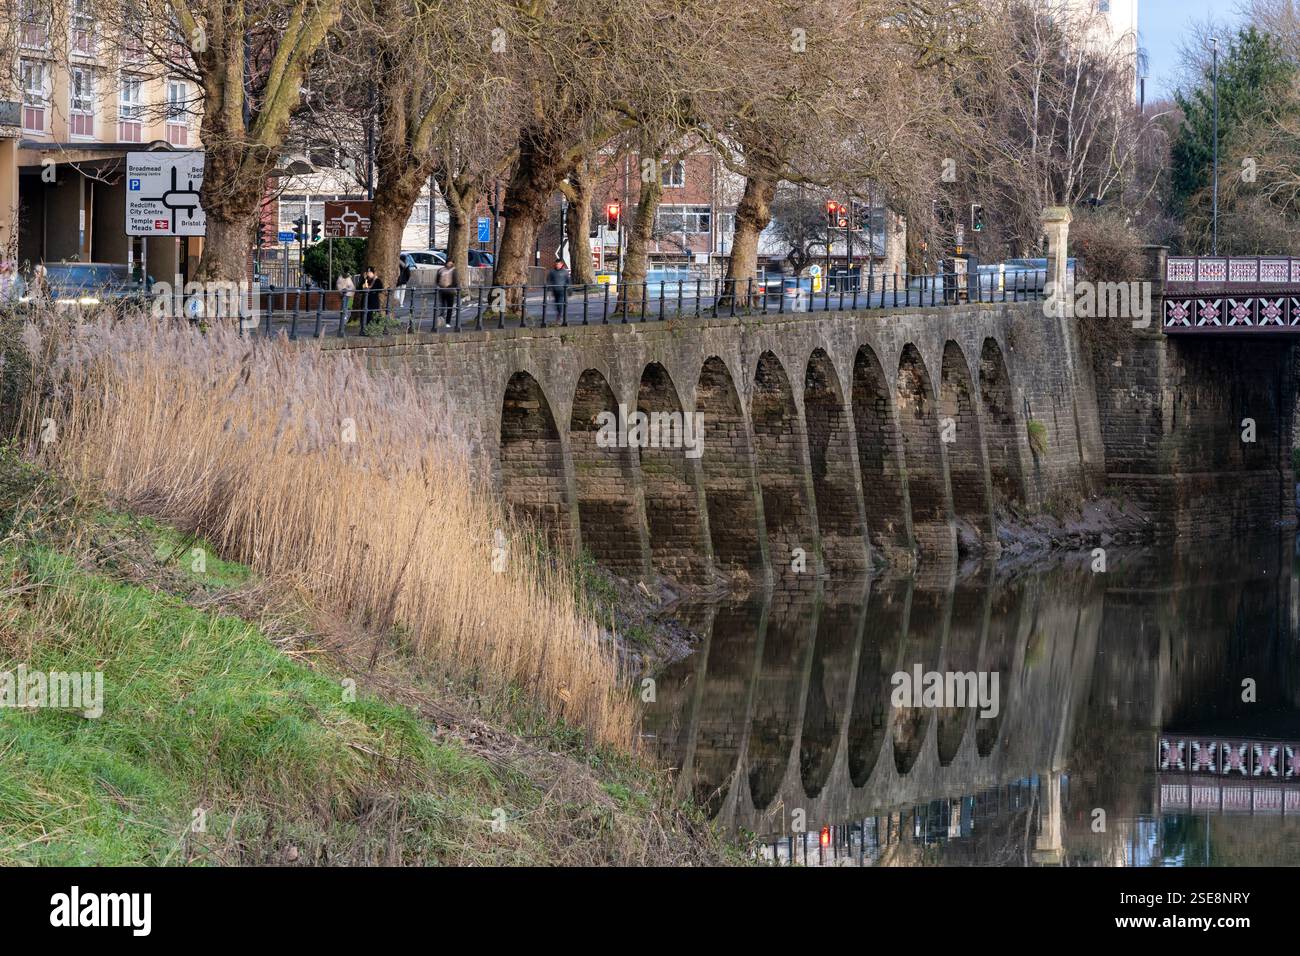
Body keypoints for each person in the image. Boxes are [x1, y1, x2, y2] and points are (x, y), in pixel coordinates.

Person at [545, 258, 571, 322]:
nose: (557, 265)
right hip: (555, 290)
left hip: (562, 290)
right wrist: (548, 289)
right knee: (556, 303)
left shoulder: (565, 272)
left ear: (561, 264)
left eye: (558, 264)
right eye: (556, 264)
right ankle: (559, 313)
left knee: (560, 303)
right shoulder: (552, 272)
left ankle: (559, 315)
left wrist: (570, 290)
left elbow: (568, 281)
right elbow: (549, 280)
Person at [435, 260, 458, 328]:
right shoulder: (441, 270)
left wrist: (451, 287)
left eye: (451, 263)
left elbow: (455, 281)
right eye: (448, 263)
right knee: (442, 306)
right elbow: (437, 280)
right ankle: (441, 320)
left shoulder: (454, 271)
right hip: (442, 291)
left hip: (450, 291)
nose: (449, 264)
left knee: (449, 307)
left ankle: (448, 322)